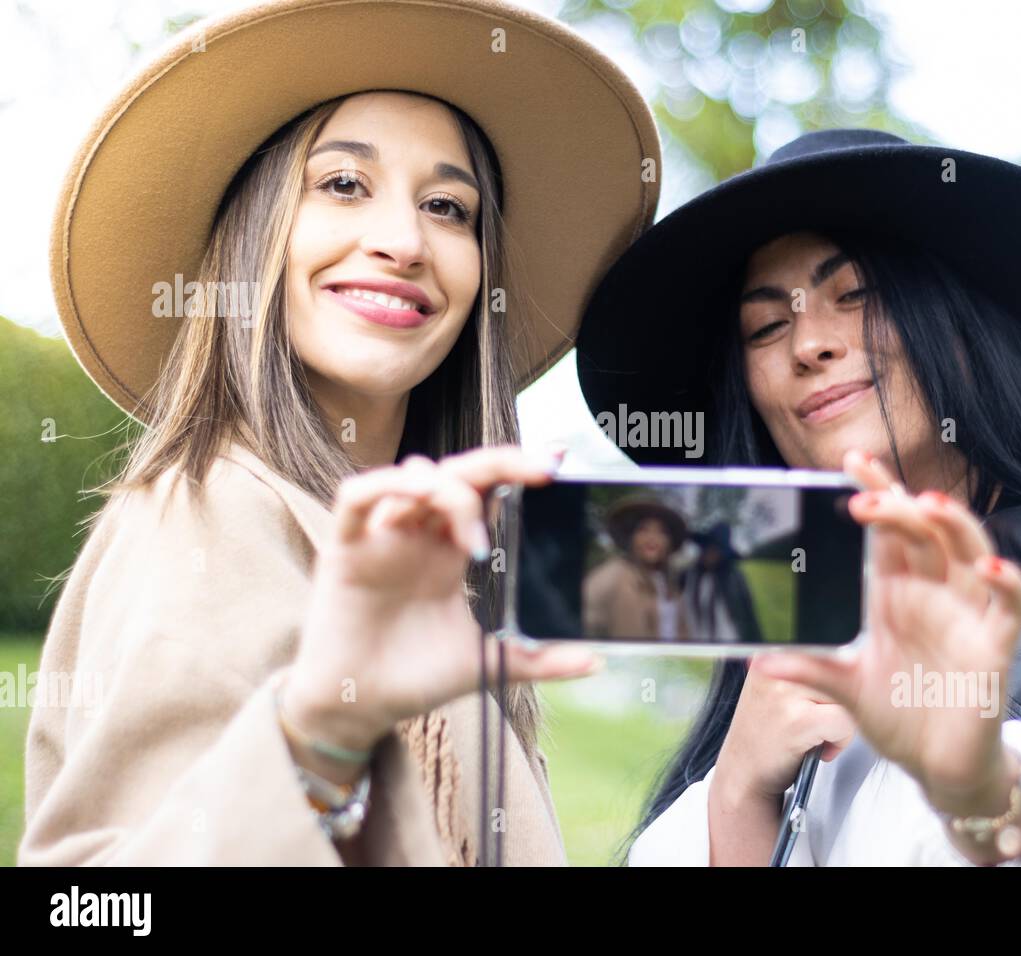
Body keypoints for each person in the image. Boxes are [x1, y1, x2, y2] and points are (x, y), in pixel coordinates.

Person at [21, 0, 660, 866]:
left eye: (447, 206)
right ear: (257, 240)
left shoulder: (439, 577)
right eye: (343, 184)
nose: (402, 241)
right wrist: (316, 743)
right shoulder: (211, 513)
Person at [577, 129, 1021, 865]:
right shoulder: (767, 701)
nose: (809, 345)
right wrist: (740, 803)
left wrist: (980, 789)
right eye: (766, 327)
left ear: (958, 330)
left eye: (854, 294)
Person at [583, 499, 691, 641]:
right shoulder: (615, 574)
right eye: (643, 529)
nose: (652, 538)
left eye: (661, 532)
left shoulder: (667, 581)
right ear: (632, 538)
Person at [682, 524, 764, 645]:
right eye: (709, 548)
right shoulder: (688, 575)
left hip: (729, 643)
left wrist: (758, 645)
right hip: (695, 644)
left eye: (717, 550)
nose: (712, 554)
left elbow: (748, 615)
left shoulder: (735, 577)